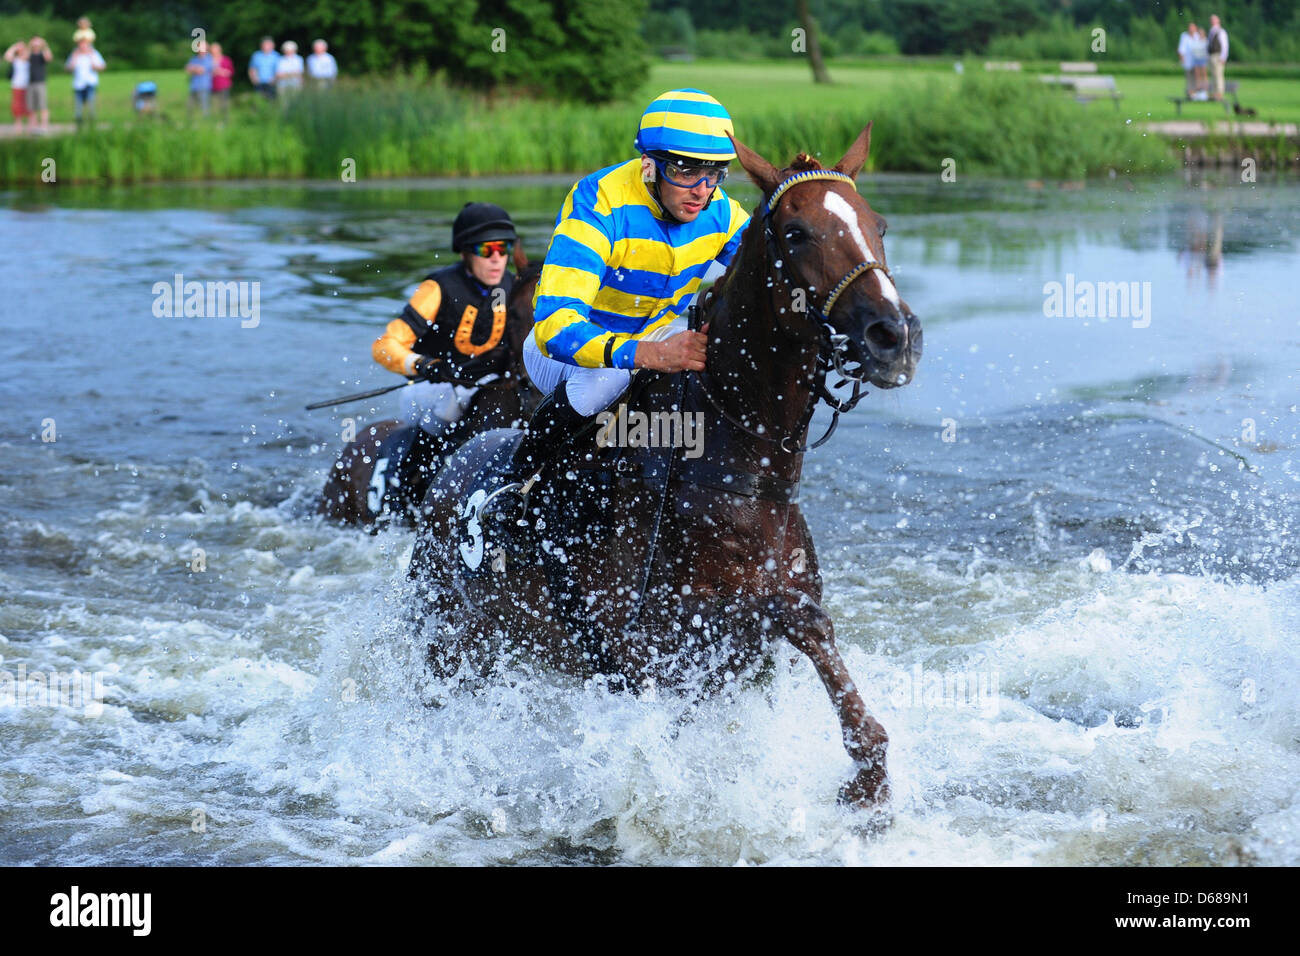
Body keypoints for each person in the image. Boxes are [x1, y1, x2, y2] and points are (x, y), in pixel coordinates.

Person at [482, 88, 749, 519]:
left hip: (657, 337)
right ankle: (516, 485)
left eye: (714, 173)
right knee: (607, 379)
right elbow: (556, 326)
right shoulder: (599, 202)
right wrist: (650, 353)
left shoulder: (722, 211)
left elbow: (771, 275)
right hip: (569, 354)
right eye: (685, 172)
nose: (702, 190)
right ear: (649, 166)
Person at [371, 202, 522, 508]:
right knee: (449, 401)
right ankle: (406, 485)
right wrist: (420, 363)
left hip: (485, 387)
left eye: (503, 248)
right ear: (466, 252)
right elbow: (384, 345)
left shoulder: (511, 286)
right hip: (429, 390)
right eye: (486, 249)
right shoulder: (437, 288)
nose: (497, 259)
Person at [65, 37, 105, 128]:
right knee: (78, 108)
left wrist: (91, 58)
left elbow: (101, 66)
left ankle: (92, 125)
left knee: (91, 106)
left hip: (90, 83)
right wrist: (74, 58)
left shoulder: (94, 54)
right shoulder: (74, 55)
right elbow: (68, 68)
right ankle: (79, 126)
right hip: (78, 84)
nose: (82, 47)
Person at [25, 36, 51, 132]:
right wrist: (29, 45)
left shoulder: (42, 55)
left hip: (40, 83)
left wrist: (44, 45)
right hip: (30, 83)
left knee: (43, 105)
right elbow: (24, 57)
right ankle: (33, 127)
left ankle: (44, 127)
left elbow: (49, 57)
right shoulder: (30, 54)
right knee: (32, 107)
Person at [4, 40, 30, 133]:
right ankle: (18, 125)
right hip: (17, 85)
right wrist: (14, 46)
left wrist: (24, 47)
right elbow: (7, 56)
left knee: (28, 106)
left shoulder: (27, 59)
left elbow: (28, 53)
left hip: (27, 85)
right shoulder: (15, 60)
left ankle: (29, 126)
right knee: (17, 105)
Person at [185, 40, 213, 116]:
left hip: (204, 86)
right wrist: (196, 69)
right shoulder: (194, 58)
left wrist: (193, 68)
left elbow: (202, 70)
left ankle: (206, 122)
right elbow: (187, 69)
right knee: (190, 106)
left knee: (204, 107)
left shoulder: (209, 58)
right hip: (194, 86)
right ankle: (191, 121)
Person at [1207, 14, 1229, 102]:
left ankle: (1219, 93)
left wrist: (1223, 57)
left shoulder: (1221, 31)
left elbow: (1225, 45)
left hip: (1218, 56)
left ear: (1218, 21)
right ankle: (1214, 93)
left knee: (1219, 75)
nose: (1212, 22)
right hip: (1212, 56)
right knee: (1213, 75)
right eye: (1211, 20)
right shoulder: (1211, 31)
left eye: (1214, 20)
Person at [1177, 22, 1198, 98]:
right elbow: (1181, 49)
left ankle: (1196, 93)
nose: (1191, 29)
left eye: (1192, 28)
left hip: (1197, 63)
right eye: (1190, 28)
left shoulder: (1197, 36)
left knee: (1196, 78)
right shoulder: (1184, 36)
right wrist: (1182, 59)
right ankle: (1190, 93)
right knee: (1189, 78)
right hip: (1188, 62)